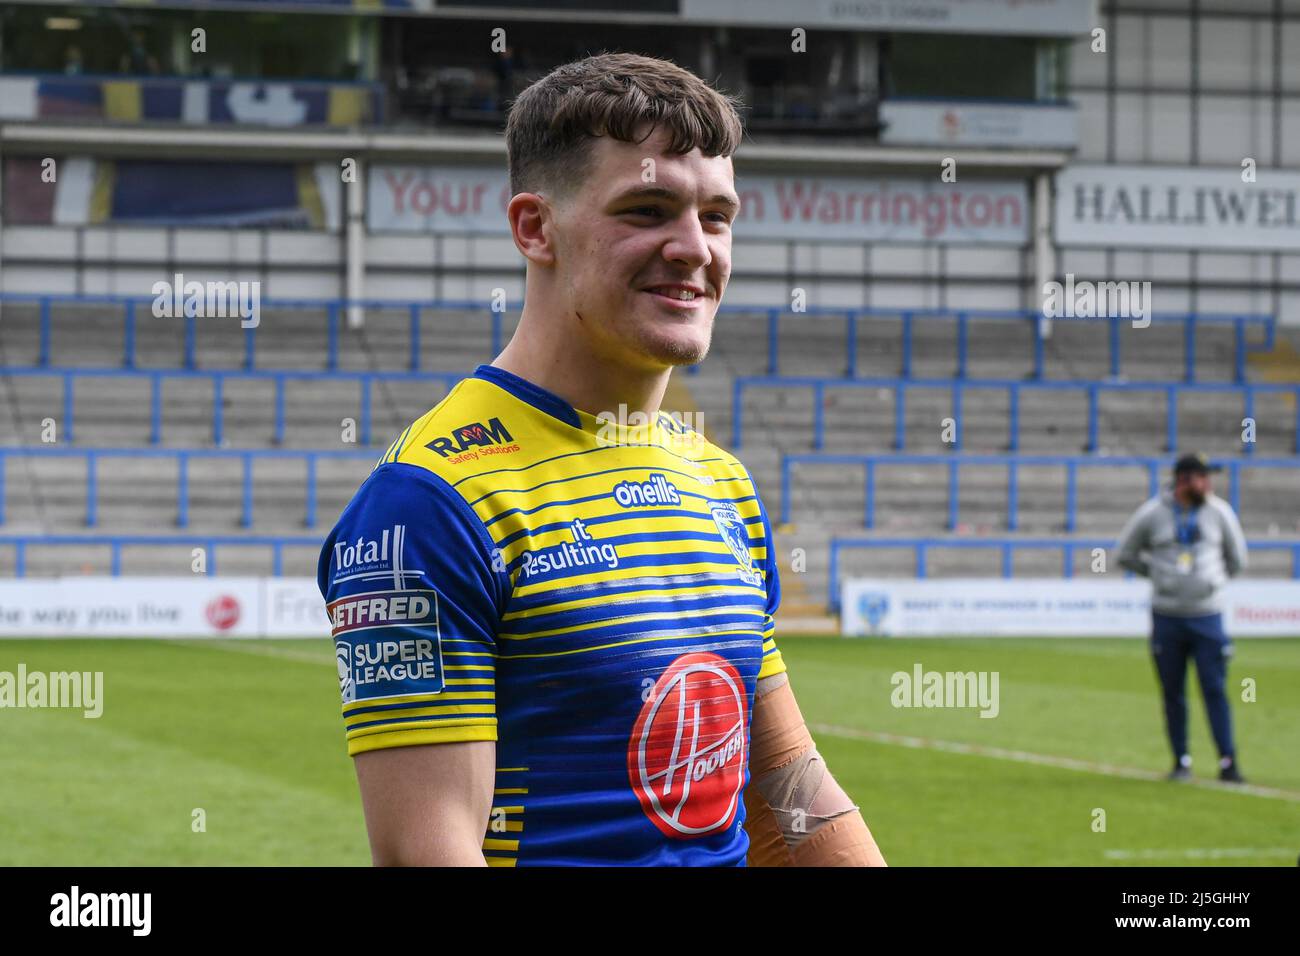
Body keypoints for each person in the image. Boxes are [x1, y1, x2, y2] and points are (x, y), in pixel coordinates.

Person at [318, 52, 886, 866]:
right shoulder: (431, 502)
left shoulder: (717, 481)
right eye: (648, 210)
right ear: (534, 228)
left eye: (716, 216)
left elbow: (785, 788)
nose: (694, 249)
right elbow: (427, 853)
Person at [1116, 452, 1249, 783]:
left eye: (1207, 477)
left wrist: (1211, 585)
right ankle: (1181, 761)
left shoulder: (1219, 512)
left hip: (1207, 616)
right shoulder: (1152, 514)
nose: (1206, 484)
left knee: (1214, 688)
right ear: (1182, 480)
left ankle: (1228, 762)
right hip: (1167, 617)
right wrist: (1159, 577)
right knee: (1173, 692)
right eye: (1200, 477)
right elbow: (1125, 554)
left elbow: (1238, 559)